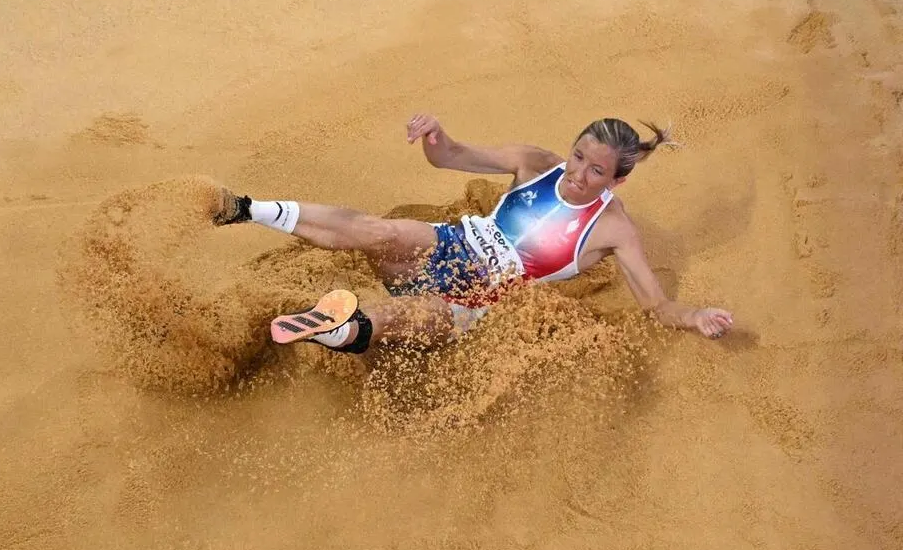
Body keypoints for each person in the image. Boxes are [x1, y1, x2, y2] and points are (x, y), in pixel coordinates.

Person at [211, 114, 734, 355]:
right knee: (383, 231)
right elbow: (452, 157)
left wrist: (694, 316)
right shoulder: (536, 164)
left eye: (596, 171)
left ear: (618, 179)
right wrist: (434, 136)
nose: (578, 174)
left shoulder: (615, 229)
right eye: (578, 156)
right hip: (448, 245)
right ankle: (247, 208)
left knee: (406, 318)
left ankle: (336, 330)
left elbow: (656, 305)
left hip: (476, 297)